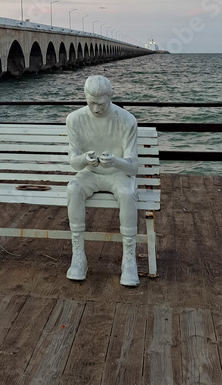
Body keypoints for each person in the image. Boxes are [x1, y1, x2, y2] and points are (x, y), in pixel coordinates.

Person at [65, 75, 139, 286]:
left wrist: (116, 161)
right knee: (73, 188)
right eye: (91, 103)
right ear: (85, 97)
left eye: (101, 104)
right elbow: (74, 162)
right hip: (91, 173)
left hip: (118, 174)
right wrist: (83, 159)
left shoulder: (126, 120)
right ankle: (78, 255)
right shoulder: (75, 119)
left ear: (110, 97)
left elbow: (133, 167)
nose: (96, 109)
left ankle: (129, 259)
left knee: (127, 193)